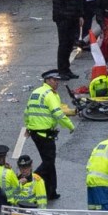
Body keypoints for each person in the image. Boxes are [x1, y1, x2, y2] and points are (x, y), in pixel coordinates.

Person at [25, 69, 74, 201]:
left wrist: (28, 126)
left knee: (49, 163)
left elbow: (27, 111)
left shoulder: (36, 92)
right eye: (54, 80)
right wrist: (70, 125)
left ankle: (51, 192)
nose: (57, 82)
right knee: (48, 163)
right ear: (47, 80)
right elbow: (58, 113)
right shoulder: (50, 94)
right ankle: (27, 180)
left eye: (57, 80)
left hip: (36, 133)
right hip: (44, 134)